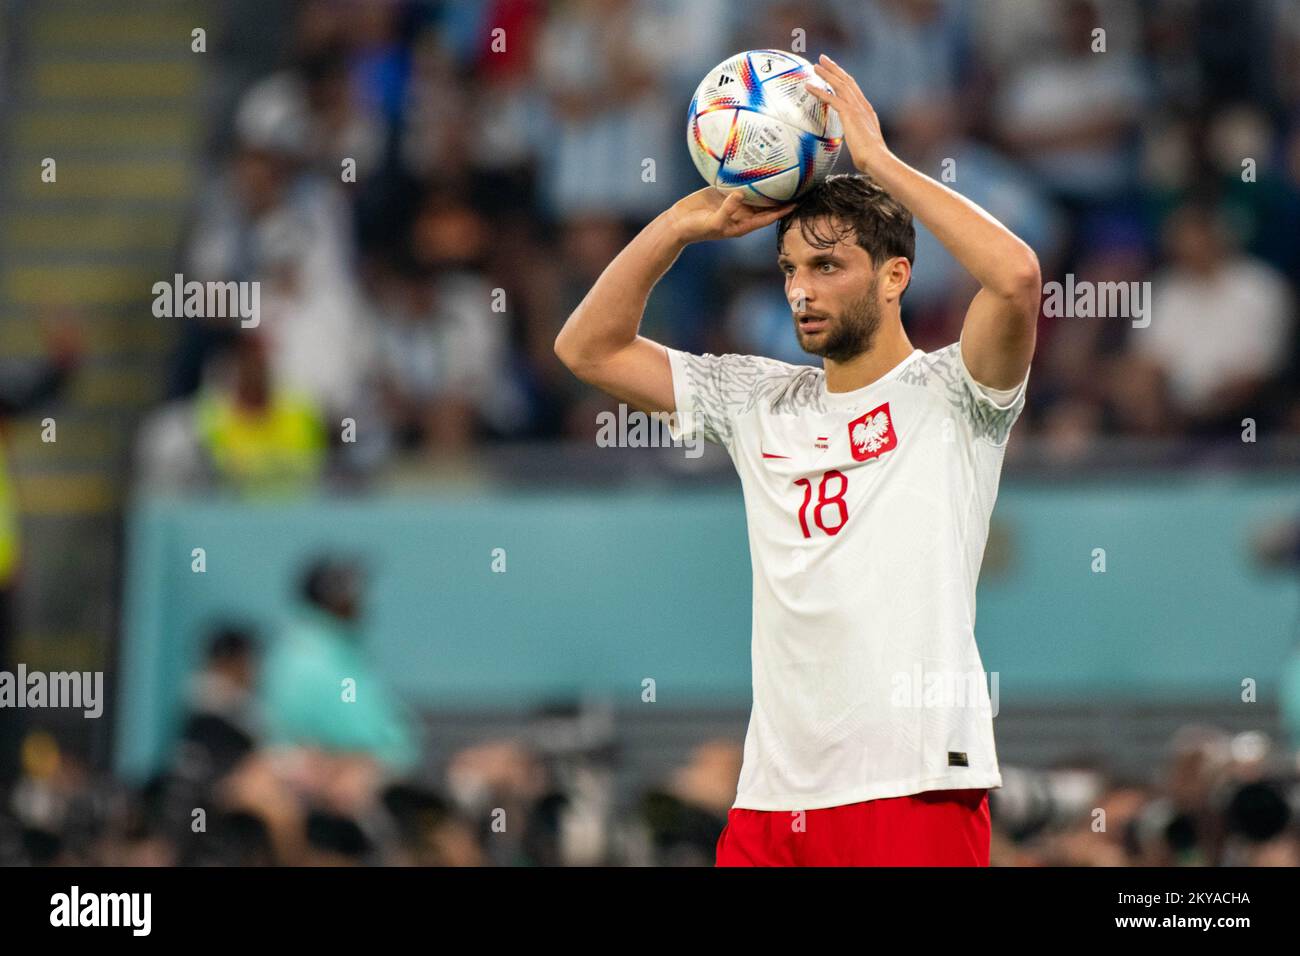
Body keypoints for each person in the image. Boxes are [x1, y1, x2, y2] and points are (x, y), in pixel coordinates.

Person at [554, 54, 1040, 866]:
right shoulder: (758, 399)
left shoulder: (957, 394)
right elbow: (586, 349)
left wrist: (880, 164)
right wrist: (677, 226)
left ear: (895, 277)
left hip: (913, 782)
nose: (800, 291)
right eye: (789, 269)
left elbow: (1017, 278)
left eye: (826, 266)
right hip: (773, 796)